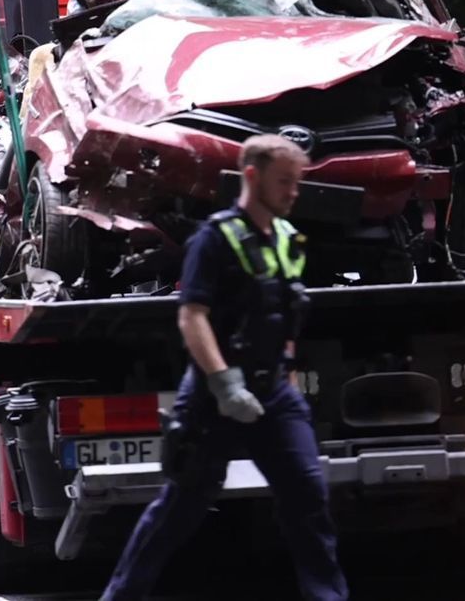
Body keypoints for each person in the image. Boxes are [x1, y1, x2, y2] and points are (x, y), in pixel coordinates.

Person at [100, 134, 349, 600]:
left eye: (297, 182)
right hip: (215, 398)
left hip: (274, 395)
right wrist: (223, 383)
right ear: (251, 177)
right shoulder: (215, 238)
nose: (294, 192)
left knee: (309, 499)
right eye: (285, 182)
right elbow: (191, 315)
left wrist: (288, 377)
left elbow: (284, 313)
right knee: (180, 510)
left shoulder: (289, 240)